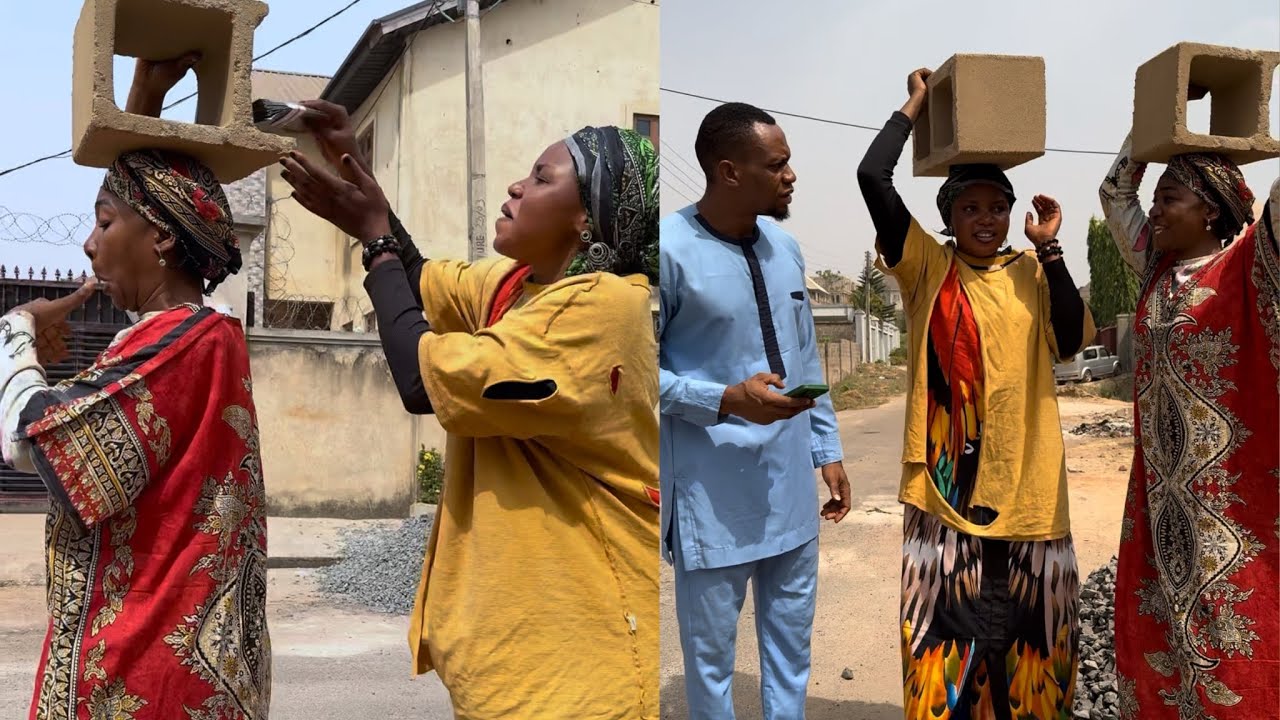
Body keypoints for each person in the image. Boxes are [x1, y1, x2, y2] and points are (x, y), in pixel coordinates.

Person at [279, 102, 661, 719]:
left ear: (586, 217)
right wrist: (355, 173)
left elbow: (421, 383)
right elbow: (420, 275)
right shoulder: (517, 287)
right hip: (518, 655)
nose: (517, 185)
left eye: (541, 178)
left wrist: (374, 237)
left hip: (581, 659)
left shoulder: (603, 308)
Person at [0, 54, 269, 720]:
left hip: (145, 684)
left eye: (105, 221)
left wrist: (17, 331)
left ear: (160, 241)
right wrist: (138, 104)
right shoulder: (192, 336)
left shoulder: (187, 343)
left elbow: (34, 442)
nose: (89, 245)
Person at [856, 69, 1093, 719]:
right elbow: (872, 179)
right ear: (950, 216)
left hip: (1032, 500)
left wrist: (1051, 252)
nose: (986, 219)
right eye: (970, 207)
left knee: (1033, 669)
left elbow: (1071, 340)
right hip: (945, 500)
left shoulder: (1031, 274)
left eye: (997, 207)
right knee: (946, 668)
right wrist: (915, 106)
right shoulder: (927, 268)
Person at [659, 101, 849, 719]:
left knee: (791, 648)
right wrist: (722, 399)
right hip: (711, 496)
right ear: (729, 171)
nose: (791, 175)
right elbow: (631, 374)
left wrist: (828, 450)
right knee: (711, 662)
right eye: (778, 164)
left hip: (789, 486)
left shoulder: (786, 248)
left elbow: (805, 357)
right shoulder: (667, 251)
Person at [1099, 120, 1279, 718]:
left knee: (1234, 639)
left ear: (1210, 210)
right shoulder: (1155, 266)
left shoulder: (1252, 265)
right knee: (1159, 642)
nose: (1154, 210)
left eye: (1169, 198)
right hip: (1159, 500)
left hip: (1231, 505)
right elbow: (1113, 194)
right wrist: (1154, 123)